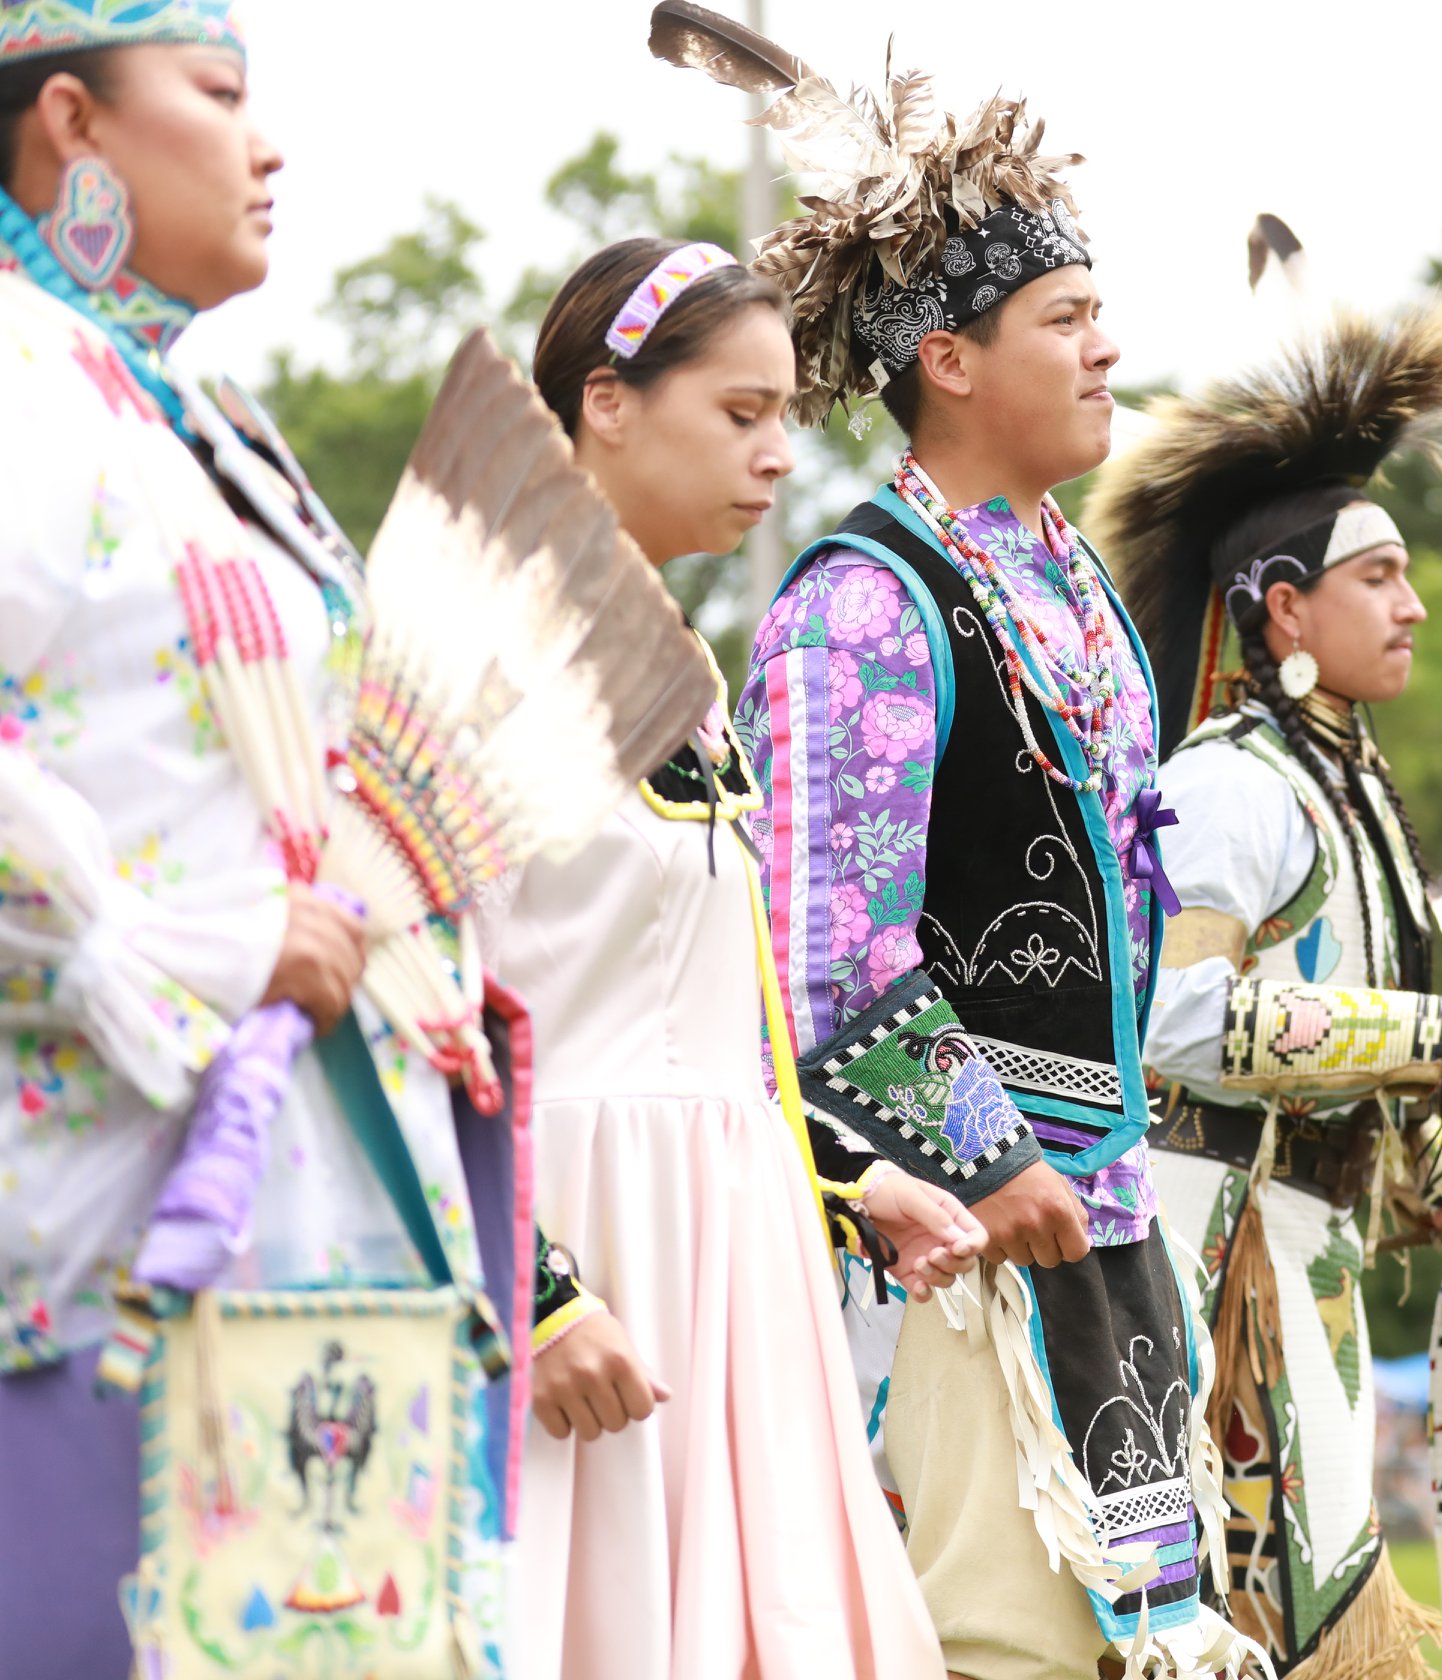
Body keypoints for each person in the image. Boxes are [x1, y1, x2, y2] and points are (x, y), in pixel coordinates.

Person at [684, 39, 1263, 1680]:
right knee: (989, 1635)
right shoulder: (862, 609)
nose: (1108, 350)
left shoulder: (1064, 583)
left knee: (1130, 1643)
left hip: (1099, 1204)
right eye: (1066, 320)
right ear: (947, 356)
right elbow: (828, 959)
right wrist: (996, 1161)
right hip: (944, 1230)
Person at [0, 6, 516, 1670]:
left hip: (301, 1231)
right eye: (220, 98)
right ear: (70, 122)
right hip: (94, 1243)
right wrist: (217, 948)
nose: (266, 143)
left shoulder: (192, 418)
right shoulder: (19, 392)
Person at [491, 234, 975, 1679]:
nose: (777, 456)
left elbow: (730, 1018)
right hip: (585, 1237)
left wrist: (843, 1175)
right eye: (740, 411)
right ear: (607, 400)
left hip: (737, 1246)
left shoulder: (692, 678)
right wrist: (540, 1289)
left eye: (788, 419)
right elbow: (420, 1007)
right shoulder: (480, 657)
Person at [1086, 291, 1442, 1678]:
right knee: (1255, 1613)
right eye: (1378, 577)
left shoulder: (1345, 790)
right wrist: (1439, 1027)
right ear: (1282, 607)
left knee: (1318, 1595)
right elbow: (1179, 1021)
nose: (1412, 605)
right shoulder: (1227, 786)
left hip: (1311, 1250)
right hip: (1216, 1260)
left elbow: (1350, 1054)